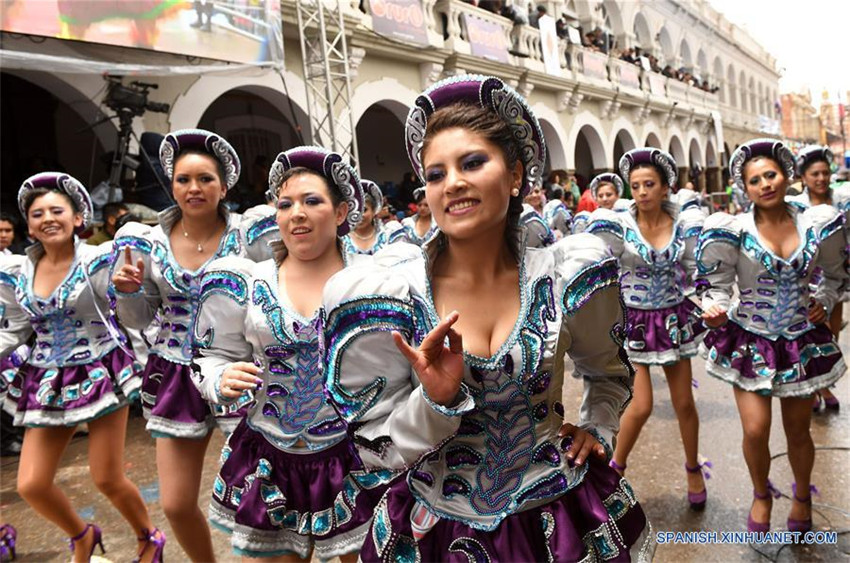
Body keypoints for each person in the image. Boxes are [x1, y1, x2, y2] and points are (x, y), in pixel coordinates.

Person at [323, 74, 652, 560]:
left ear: (515, 175)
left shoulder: (565, 275)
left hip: (557, 518)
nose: (452, 183)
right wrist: (435, 401)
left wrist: (597, 428)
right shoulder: (390, 294)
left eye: (472, 163)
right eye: (435, 174)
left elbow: (607, 373)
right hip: (437, 529)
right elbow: (375, 451)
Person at [192, 146, 392, 560]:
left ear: (340, 214)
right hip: (271, 455)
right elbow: (209, 355)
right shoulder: (248, 282)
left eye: (311, 201)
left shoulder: (373, 283)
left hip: (353, 456)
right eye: (285, 204)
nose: (296, 213)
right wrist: (219, 378)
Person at [111, 128, 277, 562]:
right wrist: (128, 292)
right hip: (174, 375)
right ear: (172, 185)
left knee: (257, 499)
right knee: (176, 503)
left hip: (240, 372)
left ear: (224, 186)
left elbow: (279, 293)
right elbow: (139, 320)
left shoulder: (249, 236)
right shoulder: (147, 242)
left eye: (205, 178)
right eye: (183, 179)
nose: (194, 188)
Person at [0, 173, 164, 562]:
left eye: (57, 210)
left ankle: (148, 536)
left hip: (100, 373)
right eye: (38, 214)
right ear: (29, 225)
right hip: (46, 381)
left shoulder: (100, 260)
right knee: (32, 484)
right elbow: (18, 329)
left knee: (106, 477)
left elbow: (132, 311)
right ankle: (82, 534)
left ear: (78, 218)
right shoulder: (19, 272)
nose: (47, 219)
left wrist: (129, 289)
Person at [697, 138, 847, 533]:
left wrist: (825, 300)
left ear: (785, 176)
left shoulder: (816, 223)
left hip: (799, 340)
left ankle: (801, 496)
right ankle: (761, 492)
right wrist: (714, 310)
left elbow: (835, 275)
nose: (765, 183)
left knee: (798, 429)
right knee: (755, 428)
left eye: (771, 174)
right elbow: (716, 287)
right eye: (754, 180)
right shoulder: (732, 231)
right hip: (750, 339)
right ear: (743, 189)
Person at [585, 149, 708, 510]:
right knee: (640, 405)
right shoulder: (619, 225)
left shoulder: (682, 224)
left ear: (665, 187)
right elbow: (600, 266)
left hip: (672, 320)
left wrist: (710, 301)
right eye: (635, 185)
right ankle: (614, 471)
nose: (641, 192)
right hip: (635, 321)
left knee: (684, 403)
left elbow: (694, 272)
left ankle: (692, 469)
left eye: (649, 184)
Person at [787, 145, 846, 413]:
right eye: (814, 174)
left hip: (835, 275)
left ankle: (823, 382)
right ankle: (811, 386)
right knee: (805, 333)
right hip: (805, 277)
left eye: (824, 173)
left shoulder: (842, 201)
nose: (821, 179)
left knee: (829, 332)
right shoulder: (793, 206)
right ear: (804, 177)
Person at [341, 180, 405, 256]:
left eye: (364, 210)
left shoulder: (389, 234)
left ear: (374, 211)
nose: (358, 215)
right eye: (353, 210)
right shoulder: (341, 239)